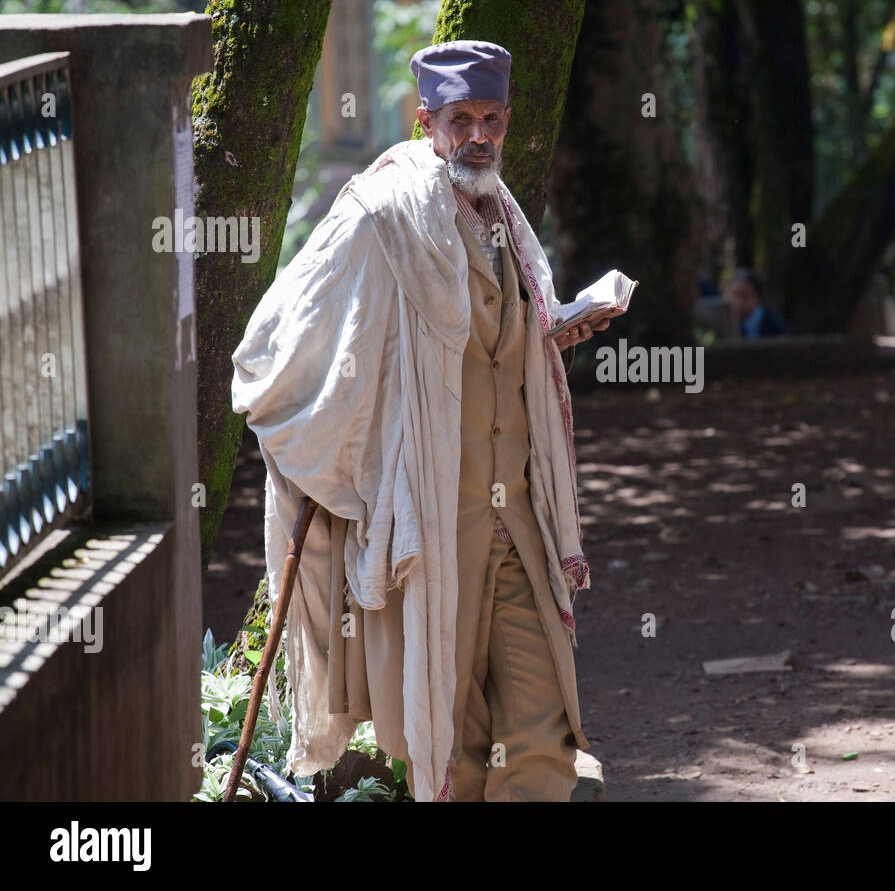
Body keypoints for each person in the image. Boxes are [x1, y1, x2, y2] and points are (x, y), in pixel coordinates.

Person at [231, 40, 616, 802]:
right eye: (462, 118)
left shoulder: (505, 221)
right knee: (454, 745)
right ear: (427, 123)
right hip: (433, 525)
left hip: (520, 529)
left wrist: (552, 332)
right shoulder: (381, 218)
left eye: (493, 119)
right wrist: (334, 436)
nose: (479, 135)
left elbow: (500, 346)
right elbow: (274, 346)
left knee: (545, 724)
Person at [727, 267, 787, 338]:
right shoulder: (726, 322)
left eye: (745, 296)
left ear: (757, 297)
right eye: (735, 296)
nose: (739, 302)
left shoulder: (773, 323)